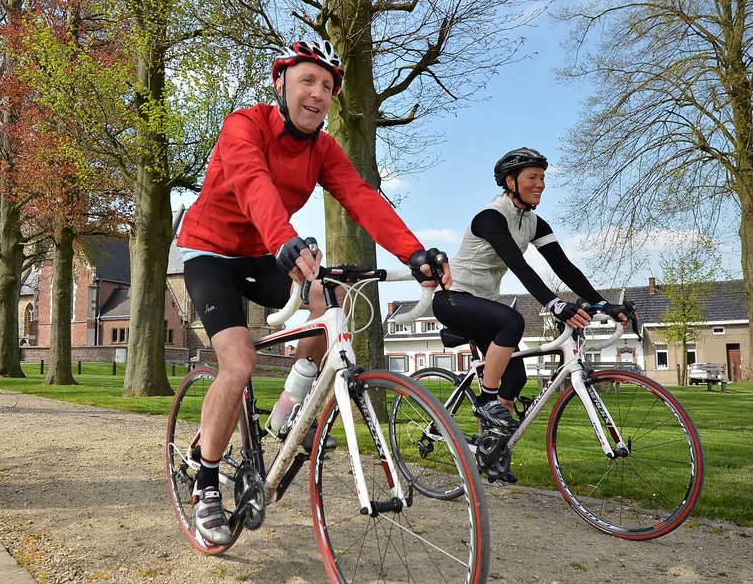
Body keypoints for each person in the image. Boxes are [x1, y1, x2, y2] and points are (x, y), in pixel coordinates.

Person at [176, 39, 451, 546]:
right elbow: (250, 180)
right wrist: (284, 237)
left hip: (264, 249)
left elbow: (363, 198)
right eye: (308, 80)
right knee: (237, 361)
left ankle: (289, 409)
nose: (318, 93)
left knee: (329, 299)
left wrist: (412, 254)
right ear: (280, 83)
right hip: (211, 250)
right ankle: (207, 481)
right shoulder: (245, 124)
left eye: (327, 86)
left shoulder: (324, 149)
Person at [434, 147, 631, 478]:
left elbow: (563, 267)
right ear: (510, 181)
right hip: (454, 299)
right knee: (513, 321)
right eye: (532, 177)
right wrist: (553, 304)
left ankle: (491, 452)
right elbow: (519, 265)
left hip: (484, 304)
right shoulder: (490, 217)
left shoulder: (533, 222)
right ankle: (486, 400)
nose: (540, 184)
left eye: (542, 178)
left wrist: (601, 303)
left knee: (516, 376)